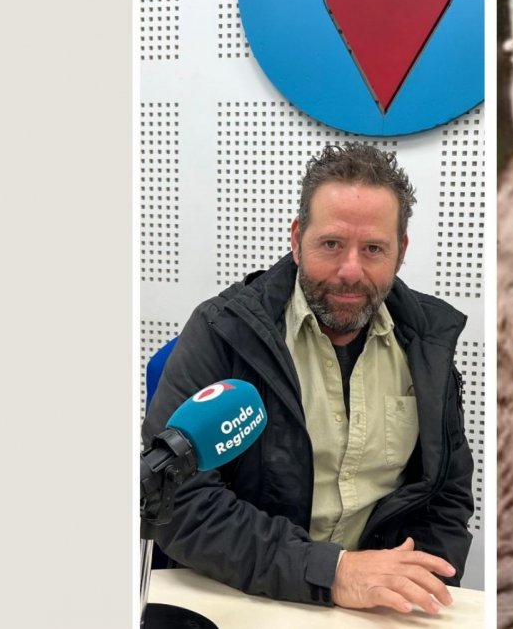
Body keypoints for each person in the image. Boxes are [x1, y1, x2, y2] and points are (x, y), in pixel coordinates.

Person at [141, 142, 474, 615]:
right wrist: (332, 573)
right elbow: (179, 502)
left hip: (374, 610)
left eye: (373, 249)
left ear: (401, 252)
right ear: (297, 240)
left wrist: (413, 590)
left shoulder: (428, 344)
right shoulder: (223, 331)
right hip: (247, 595)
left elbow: (446, 497)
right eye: (332, 244)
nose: (351, 271)